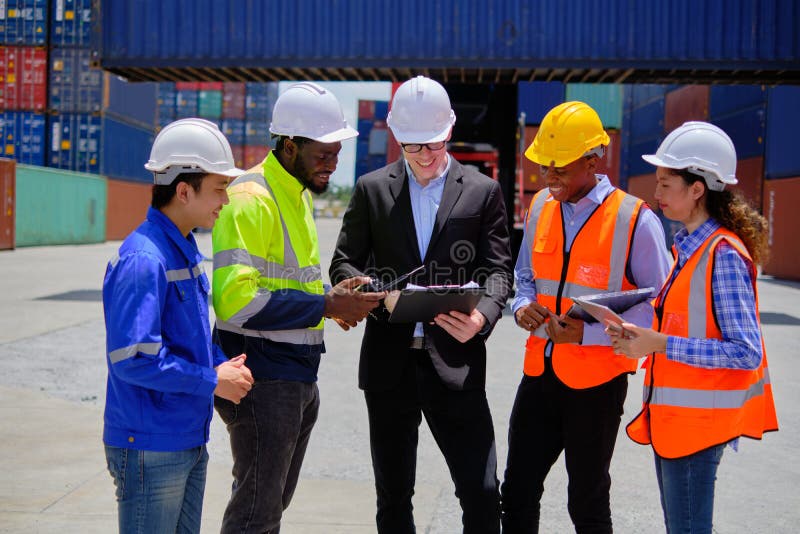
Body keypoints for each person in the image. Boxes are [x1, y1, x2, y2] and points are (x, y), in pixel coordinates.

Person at [330, 75, 514, 533]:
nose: (425, 156)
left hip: (456, 360)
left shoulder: (482, 191)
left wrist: (482, 317)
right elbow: (342, 263)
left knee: (483, 490)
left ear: (448, 132)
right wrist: (369, 290)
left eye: (433, 144)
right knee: (394, 497)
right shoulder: (372, 190)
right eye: (414, 147)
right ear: (398, 138)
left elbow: (498, 272)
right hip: (389, 365)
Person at [211, 82, 384, 534]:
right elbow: (235, 300)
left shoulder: (297, 195)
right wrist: (325, 304)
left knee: (269, 506)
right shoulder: (251, 199)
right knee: (256, 513)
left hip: (296, 375)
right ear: (290, 146)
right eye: (323, 154)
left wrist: (335, 299)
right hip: (262, 378)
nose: (332, 165)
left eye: (336, 153)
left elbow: (290, 283)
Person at [500, 101, 673, 533]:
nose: (548, 177)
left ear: (593, 161)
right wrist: (522, 307)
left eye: (559, 168)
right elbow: (524, 276)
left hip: (597, 383)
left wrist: (589, 334)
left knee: (587, 498)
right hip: (539, 373)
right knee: (517, 489)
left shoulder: (635, 219)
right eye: (544, 166)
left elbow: (659, 306)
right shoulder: (539, 205)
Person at [607, 121, 778, 533]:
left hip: (698, 430)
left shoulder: (722, 255)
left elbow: (745, 351)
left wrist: (661, 343)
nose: (657, 193)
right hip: (678, 424)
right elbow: (687, 326)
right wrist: (642, 340)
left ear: (697, 188)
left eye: (666, 183)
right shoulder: (689, 247)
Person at [102, 118, 255, 533]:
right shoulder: (144, 260)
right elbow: (134, 360)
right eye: (219, 187)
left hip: (185, 439)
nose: (226, 198)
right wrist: (211, 380)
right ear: (184, 190)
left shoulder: (183, 249)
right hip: (150, 446)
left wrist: (224, 364)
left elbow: (191, 338)